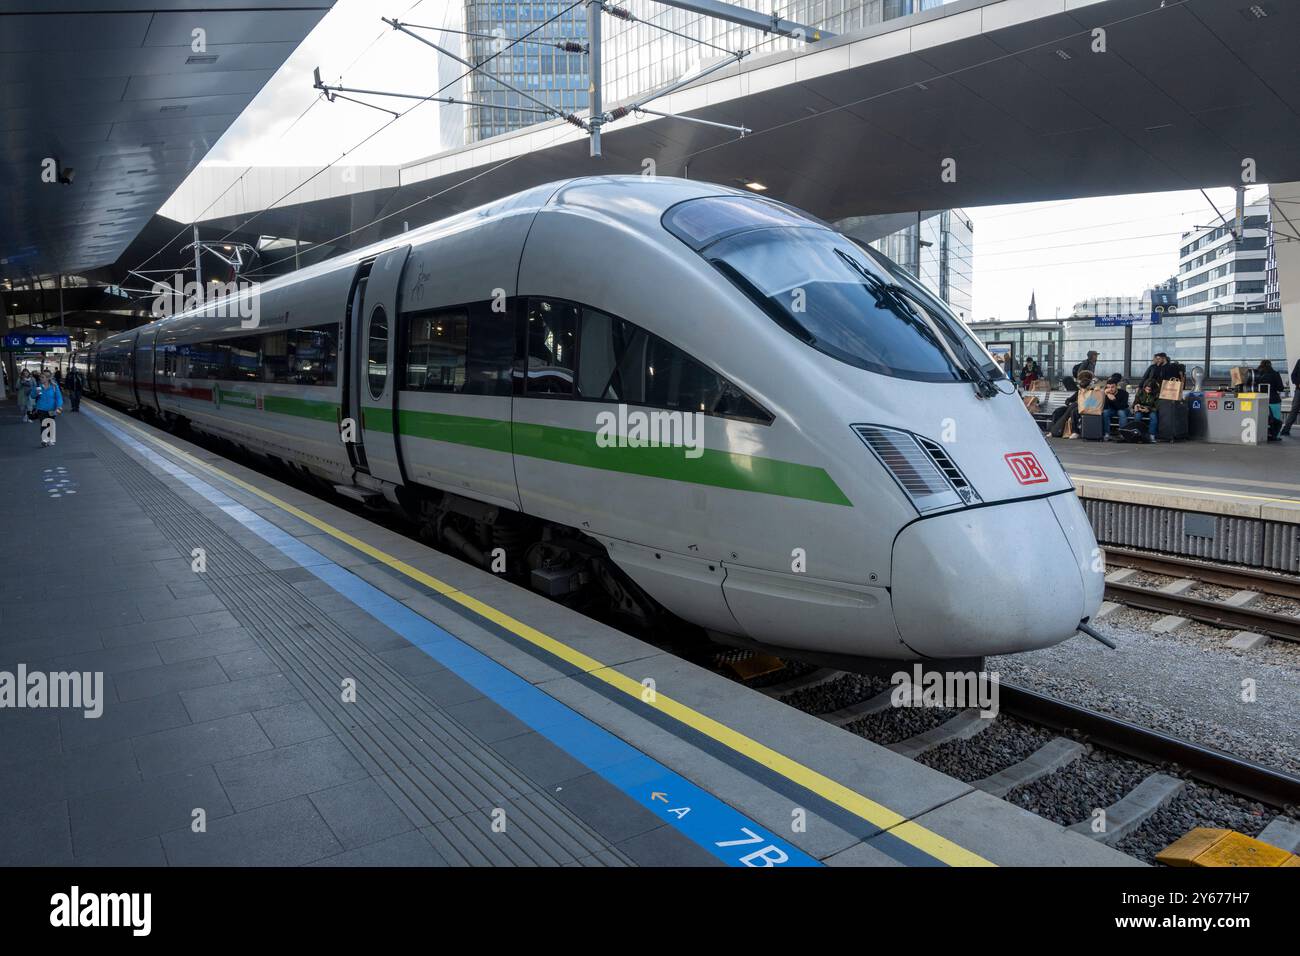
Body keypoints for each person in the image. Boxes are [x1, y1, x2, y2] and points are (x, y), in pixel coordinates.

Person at [1254, 359, 1284, 442]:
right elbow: (1280, 388)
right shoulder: (1275, 374)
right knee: (1276, 418)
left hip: (1259, 400)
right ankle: (1275, 435)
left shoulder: (1256, 374)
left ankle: (1261, 434)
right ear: (1270, 365)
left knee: (1260, 418)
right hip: (1273, 400)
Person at [31, 370, 63, 446]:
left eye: (42, 377)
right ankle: (44, 440)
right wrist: (35, 392)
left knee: (50, 424)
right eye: (40, 377)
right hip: (41, 409)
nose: (40, 379)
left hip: (52, 409)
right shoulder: (38, 387)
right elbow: (32, 396)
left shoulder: (54, 387)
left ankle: (49, 439)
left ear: (47, 378)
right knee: (44, 424)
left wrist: (59, 406)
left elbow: (58, 397)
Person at [1101, 374, 1129, 440]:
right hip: (1112, 410)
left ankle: (1122, 434)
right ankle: (1107, 434)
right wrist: (1105, 396)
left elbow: (1121, 407)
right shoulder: (1106, 394)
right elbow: (1105, 407)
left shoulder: (1124, 393)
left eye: (1112, 387)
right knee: (1105, 412)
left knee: (1121, 412)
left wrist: (1114, 399)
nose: (1110, 389)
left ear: (1117, 386)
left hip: (1123, 409)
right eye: (1108, 387)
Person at [1281, 356, 1300, 437]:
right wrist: (1298, 383)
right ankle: (1286, 429)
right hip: (1299, 390)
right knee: (1294, 410)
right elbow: (1293, 375)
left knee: (1294, 410)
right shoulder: (1299, 361)